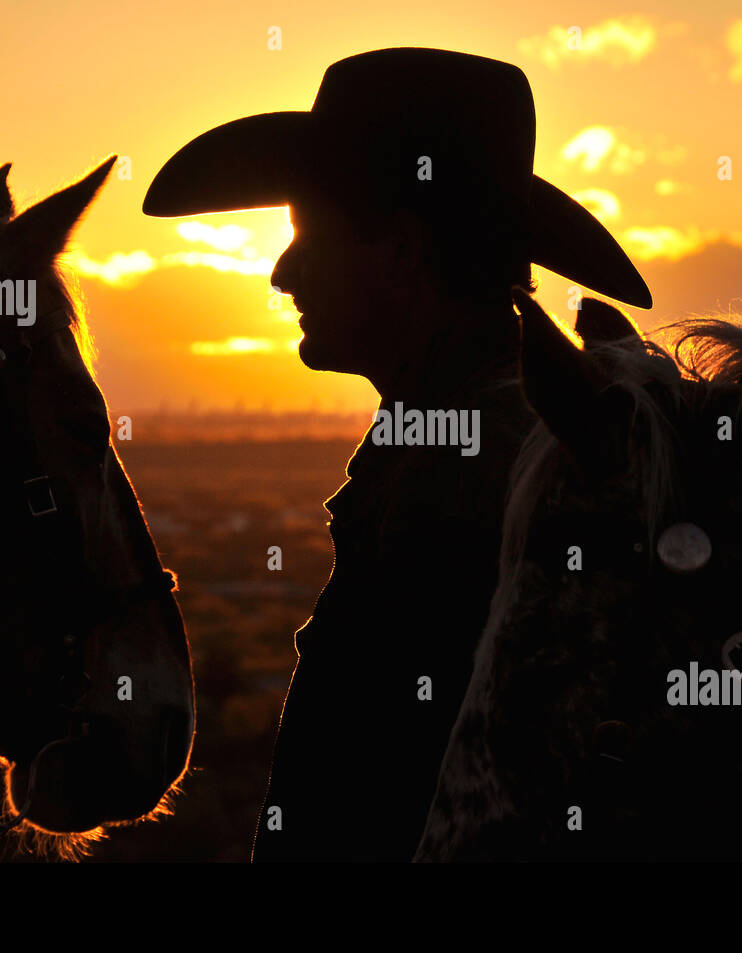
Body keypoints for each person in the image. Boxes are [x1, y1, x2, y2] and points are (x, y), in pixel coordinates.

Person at [144, 47, 652, 860]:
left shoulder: (467, 469)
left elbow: (388, 796)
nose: (280, 273)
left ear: (406, 253)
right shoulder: (484, 434)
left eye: (309, 234)